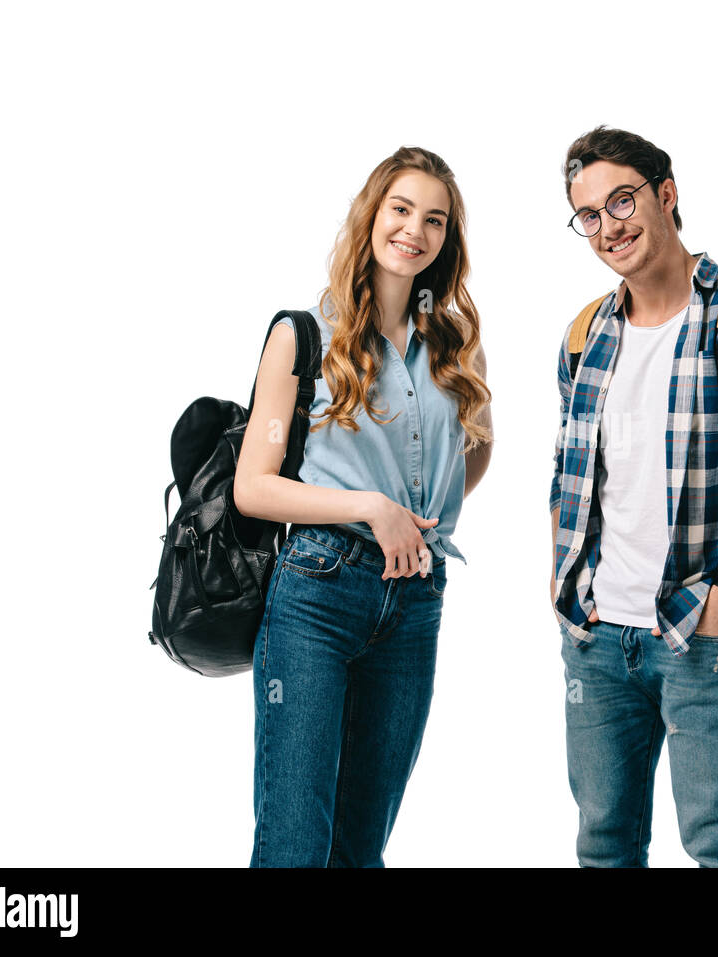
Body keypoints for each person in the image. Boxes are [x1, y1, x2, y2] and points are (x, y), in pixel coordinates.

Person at [550, 126, 718, 867]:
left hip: (702, 635)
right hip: (597, 638)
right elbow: (569, 473)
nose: (609, 227)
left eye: (622, 201)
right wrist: (567, 583)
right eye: (589, 214)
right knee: (603, 846)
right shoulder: (586, 333)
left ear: (666, 195)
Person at [233, 146, 491, 867]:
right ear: (372, 215)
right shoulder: (304, 334)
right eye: (401, 209)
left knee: (360, 850)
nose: (415, 230)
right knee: (293, 843)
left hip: (415, 600)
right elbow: (253, 485)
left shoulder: (455, 345)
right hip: (318, 592)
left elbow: (475, 448)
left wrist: (416, 514)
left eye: (435, 220)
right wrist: (376, 507)